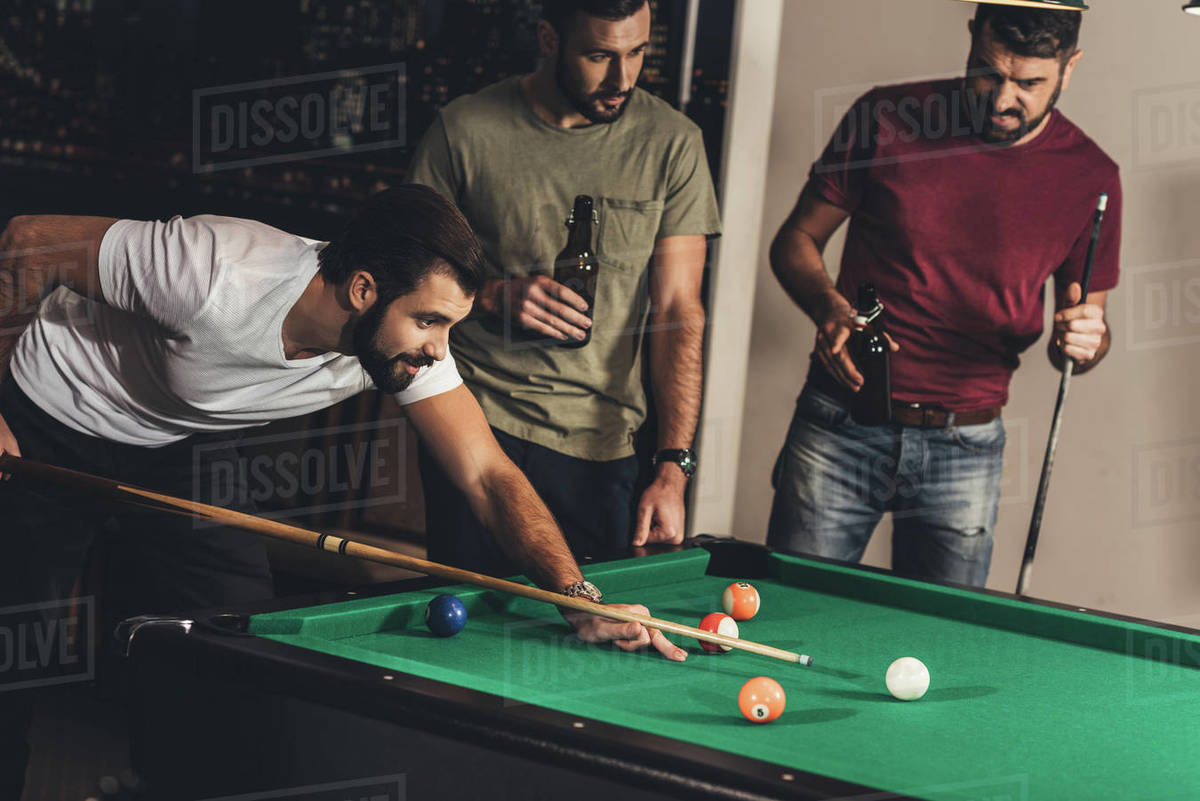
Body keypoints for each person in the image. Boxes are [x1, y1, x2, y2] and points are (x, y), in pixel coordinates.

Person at [0, 186, 687, 798]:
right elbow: (29, 240)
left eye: (450, 327)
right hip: (48, 413)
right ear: (363, 290)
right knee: (16, 650)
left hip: (183, 443)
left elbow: (487, 472)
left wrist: (576, 598)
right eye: (430, 322)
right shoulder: (214, 270)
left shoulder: (395, 345)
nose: (440, 350)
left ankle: (168, 782)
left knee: (237, 650)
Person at [766, 6, 1121, 586]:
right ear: (972, 41)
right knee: (793, 609)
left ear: (1069, 67)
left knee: (945, 645)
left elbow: (1078, 344)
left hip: (967, 446)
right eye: (988, 73)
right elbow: (796, 240)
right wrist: (829, 306)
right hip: (841, 423)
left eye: (1030, 84)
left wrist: (1085, 340)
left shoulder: (1092, 176)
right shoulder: (886, 115)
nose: (1002, 99)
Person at [407, 0, 721, 577]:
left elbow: (680, 311)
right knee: (465, 629)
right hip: (476, 419)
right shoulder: (465, 129)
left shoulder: (673, 143)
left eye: (636, 53)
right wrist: (495, 294)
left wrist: (672, 466)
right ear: (550, 38)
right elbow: (407, 282)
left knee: (589, 634)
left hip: (601, 446)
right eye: (599, 55)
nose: (622, 78)